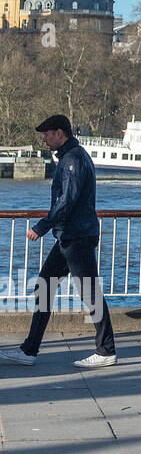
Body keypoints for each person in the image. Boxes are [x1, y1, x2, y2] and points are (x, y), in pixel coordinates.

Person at [2, 114, 117, 369]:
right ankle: (29, 350)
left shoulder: (73, 159)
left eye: (47, 134)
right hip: (69, 237)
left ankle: (106, 349)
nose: (44, 139)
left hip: (77, 238)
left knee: (90, 293)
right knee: (44, 285)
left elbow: (67, 201)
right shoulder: (71, 157)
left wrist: (41, 227)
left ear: (59, 133)